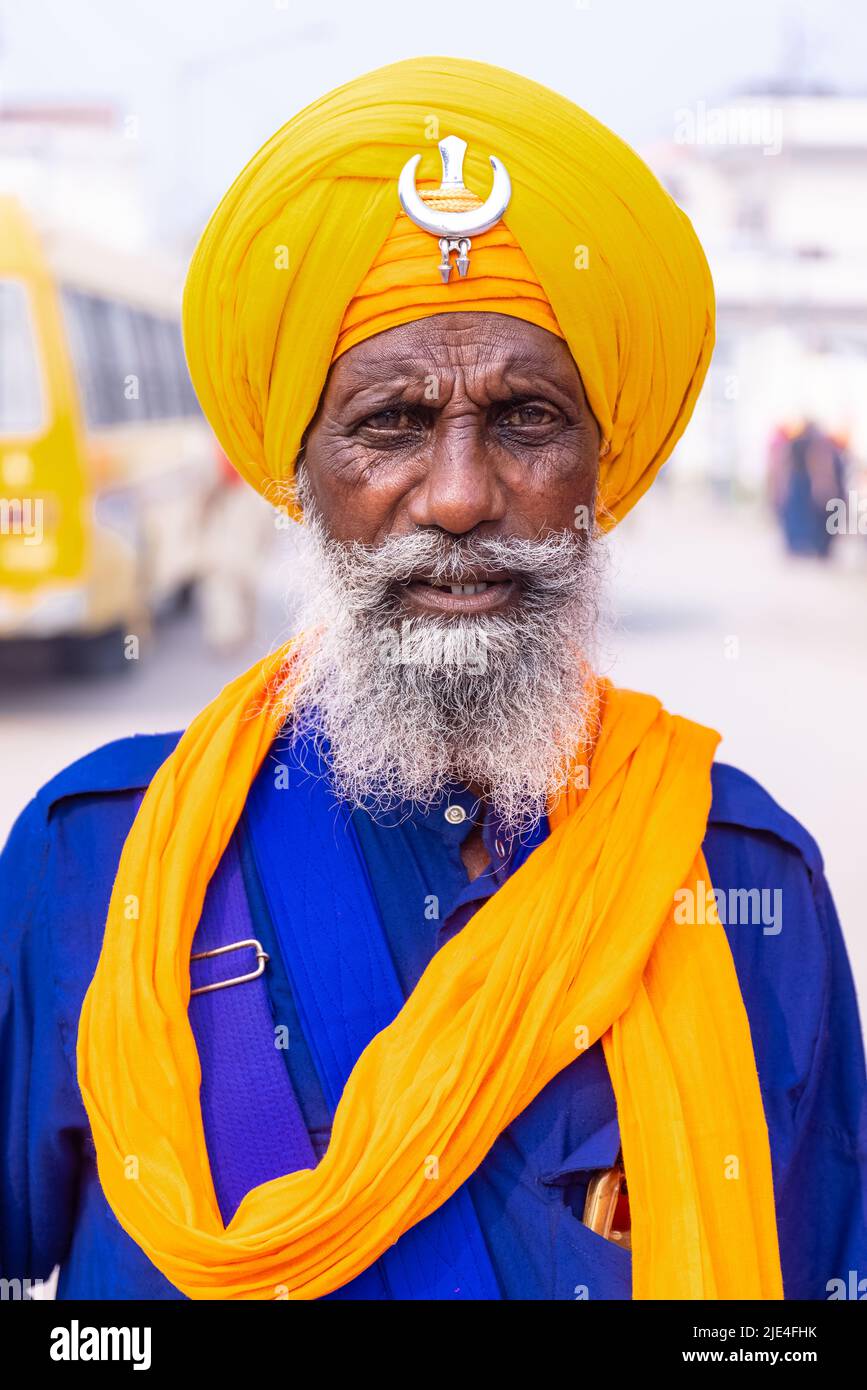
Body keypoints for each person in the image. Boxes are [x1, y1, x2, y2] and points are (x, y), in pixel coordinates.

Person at [1, 55, 864, 1302]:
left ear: (599, 473)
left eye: (525, 419)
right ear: (300, 479)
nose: (459, 497)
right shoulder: (99, 868)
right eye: (391, 424)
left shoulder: (739, 878)